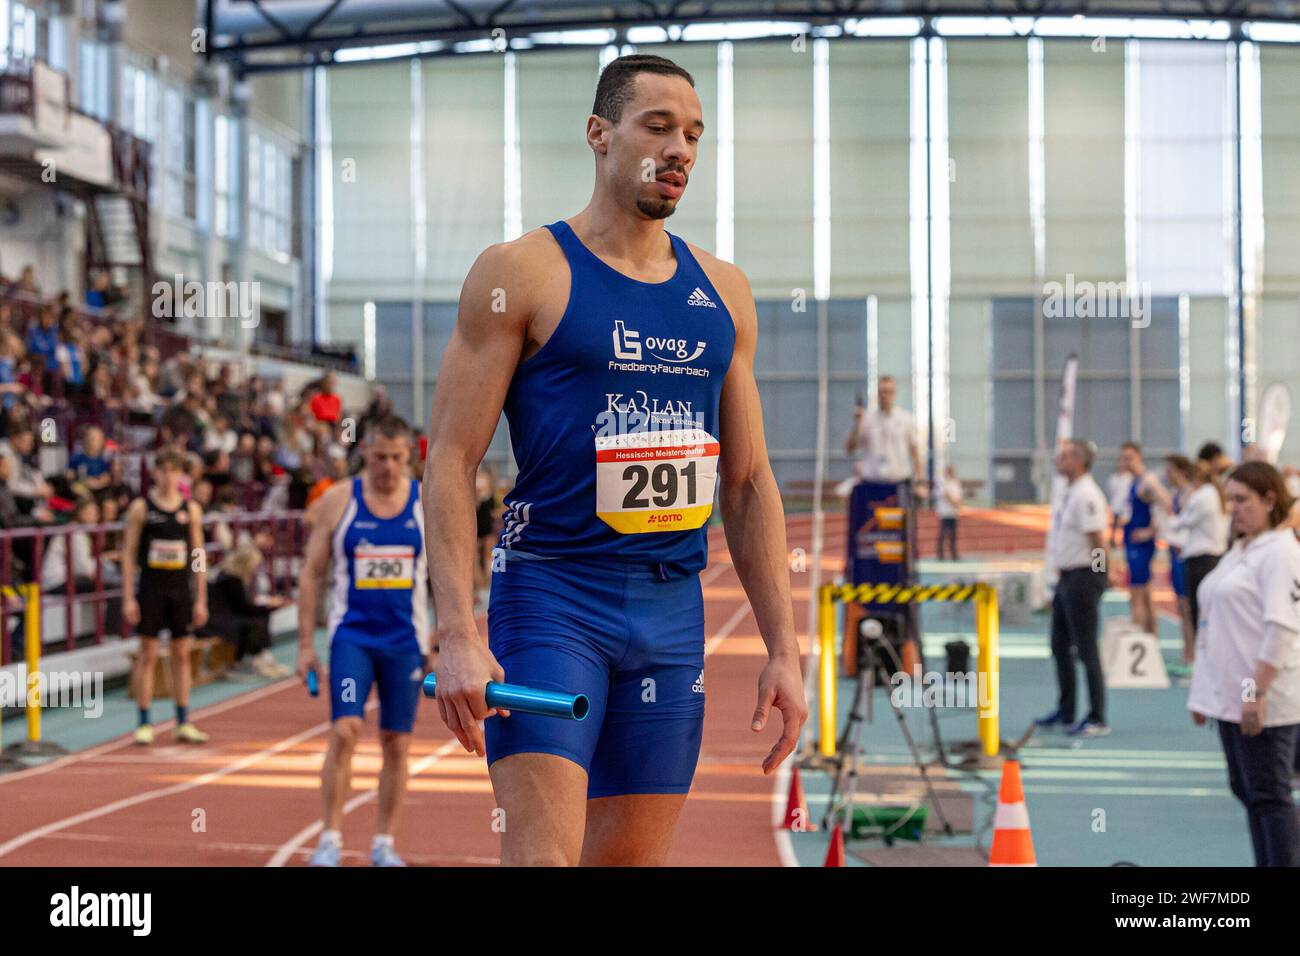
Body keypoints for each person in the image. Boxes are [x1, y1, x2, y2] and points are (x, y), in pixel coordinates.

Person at [422, 54, 806, 866]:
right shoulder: (520, 273)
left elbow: (746, 481)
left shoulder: (724, 292)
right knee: (544, 857)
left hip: (671, 615)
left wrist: (784, 648)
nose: (680, 151)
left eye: (694, 135)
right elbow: (451, 461)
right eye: (658, 127)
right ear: (600, 136)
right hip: (553, 599)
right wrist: (456, 629)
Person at [296, 415, 431, 868]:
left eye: (396, 458)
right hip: (351, 637)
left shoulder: (425, 502)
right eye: (378, 458)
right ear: (364, 455)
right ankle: (330, 839)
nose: (388, 468)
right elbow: (313, 573)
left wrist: (446, 639)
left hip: (405, 641)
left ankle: (383, 843)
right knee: (344, 730)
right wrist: (304, 646)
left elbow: (451, 575)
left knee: (396, 742)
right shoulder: (339, 500)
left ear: (408, 455)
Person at [1188, 462, 1300, 867]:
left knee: (1270, 797)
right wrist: (1203, 693)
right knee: (1248, 791)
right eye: (1229, 499)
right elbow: (1211, 625)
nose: (1232, 508)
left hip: (1265, 701)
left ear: (1270, 500)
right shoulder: (1240, 550)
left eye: (1241, 500)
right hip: (1231, 698)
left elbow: (1282, 629)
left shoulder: (1283, 553)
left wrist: (1257, 694)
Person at [121, 447, 210, 745]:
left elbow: (198, 554)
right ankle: (144, 722)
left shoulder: (191, 509)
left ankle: (183, 720)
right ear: (155, 472)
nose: (169, 477)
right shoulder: (142, 508)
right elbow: (129, 553)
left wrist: (201, 598)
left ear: (181, 475)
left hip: (180, 591)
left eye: (175, 471)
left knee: (181, 655)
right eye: (164, 470)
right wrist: (127, 597)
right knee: (147, 655)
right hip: (150, 589)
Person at [1037, 438, 1111, 737]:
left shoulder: (1087, 495)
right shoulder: (1069, 492)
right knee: (1059, 645)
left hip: (1083, 577)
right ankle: (1067, 711)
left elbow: (1097, 538)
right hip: (1067, 577)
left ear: (1079, 461)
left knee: (1087, 649)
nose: (1058, 460)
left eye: (1065, 456)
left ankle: (1097, 716)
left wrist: (1098, 577)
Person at [1155, 455, 1228, 664]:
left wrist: (1163, 513)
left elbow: (1179, 524)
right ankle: (1196, 657)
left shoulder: (1201, 496)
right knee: (1193, 609)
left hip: (1202, 560)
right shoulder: (1206, 494)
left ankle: (1199, 659)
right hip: (1200, 557)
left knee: (1196, 611)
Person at [205, 542, 290, 680]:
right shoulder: (230, 578)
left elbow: (242, 605)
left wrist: (267, 606)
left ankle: (259, 656)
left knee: (259, 618)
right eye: (254, 564)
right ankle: (247, 660)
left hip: (227, 616)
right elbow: (242, 607)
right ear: (245, 563)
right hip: (217, 620)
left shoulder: (234, 577)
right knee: (254, 621)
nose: (255, 568)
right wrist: (269, 607)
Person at [845, 375, 925, 496]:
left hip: (900, 485)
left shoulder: (906, 419)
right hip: (872, 485)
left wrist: (920, 481)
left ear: (895, 393)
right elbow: (849, 449)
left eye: (889, 392)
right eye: (882, 392)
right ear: (877, 393)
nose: (885, 396)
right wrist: (856, 424)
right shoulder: (866, 419)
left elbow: (915, 452)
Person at [1117, 442, 1165, 635]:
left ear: (1139, 458)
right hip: (1131, 540)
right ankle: (1150, 638)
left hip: (1141, 544)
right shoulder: (1132, 481)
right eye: (1123, 458)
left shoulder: (1148, 480)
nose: (1125, 462)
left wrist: (1151, 531)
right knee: (1143, 593)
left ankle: (1140, 638)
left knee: (1137, 593)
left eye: (1129, 457)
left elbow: (1167, 504)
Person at [933, 464, 962, 560]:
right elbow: (944, 494)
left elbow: (959, 496)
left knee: (953, 534)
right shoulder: (941, 482)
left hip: (954, 512)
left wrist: (957, 504)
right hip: (945, 512)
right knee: (943, 533)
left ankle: (953, 553)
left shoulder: (956, 483)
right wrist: (953, 501)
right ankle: (940, 554)